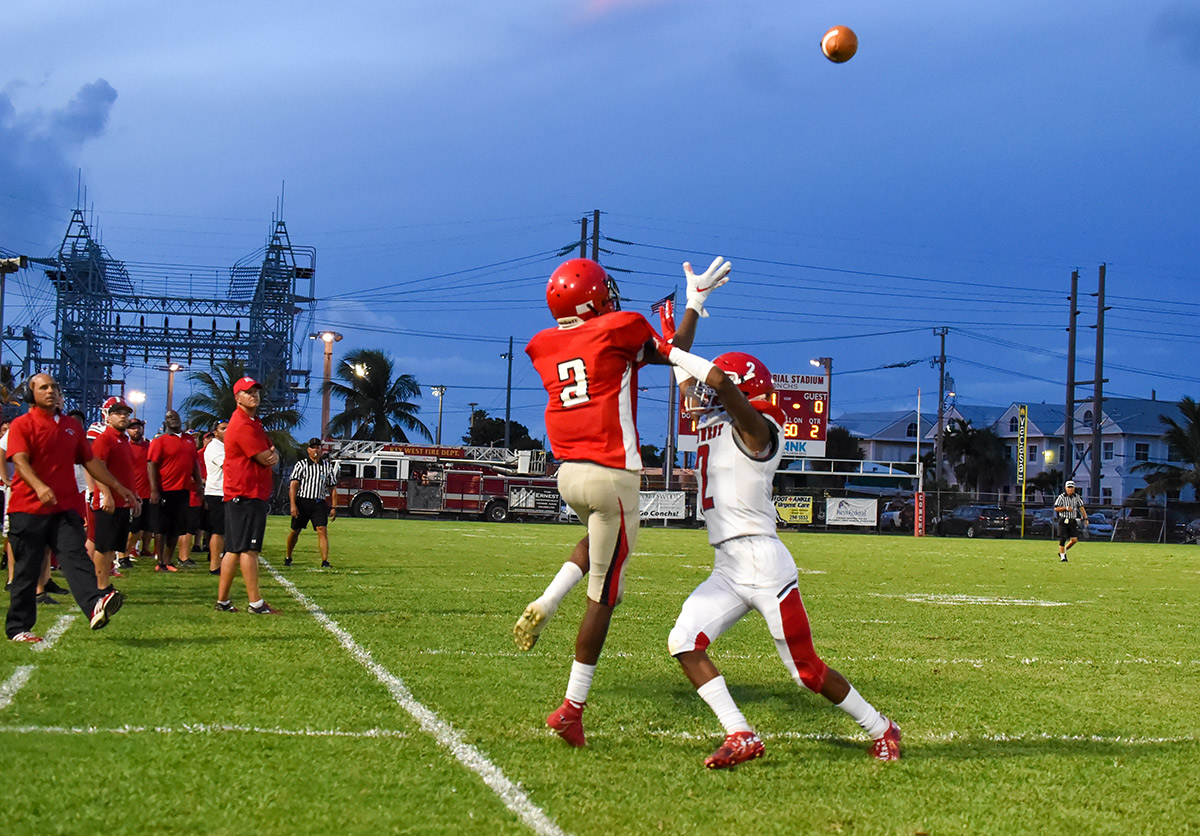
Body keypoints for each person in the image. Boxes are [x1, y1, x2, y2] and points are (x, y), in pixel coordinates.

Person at [658, 274, 901, 767]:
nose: (702, 398)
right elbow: (687, 378)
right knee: (683, 641)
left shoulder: (759, 430)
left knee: (806, 672)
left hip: (763, 562)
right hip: (728, 565)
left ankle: (882, 727)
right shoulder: (713, 419)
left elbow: (718, 383)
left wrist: (673, 350)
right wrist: (692, 307)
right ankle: (740, 733)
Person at [513, 257, 690, 748]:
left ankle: (549, 599)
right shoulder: (619, 329)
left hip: (568, 475)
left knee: (596, 542)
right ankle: (571, 709)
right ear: (594, 298)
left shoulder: (544, 345)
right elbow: (677, 352)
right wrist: (692, 306)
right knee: (604, 596)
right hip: (611, 475)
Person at [5, 373, 139, 642]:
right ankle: (18, 628)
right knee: (27, 569)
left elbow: (90, 462)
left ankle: (94, 605)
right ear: (31, 394)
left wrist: (118, 487)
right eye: (43, 387)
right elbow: (19, 460)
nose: (50, 392)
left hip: (63, 508)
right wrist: (39, 486)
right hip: (27, 507)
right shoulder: (22, 424)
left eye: (54, 387)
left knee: (76, 555)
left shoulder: (70, 426)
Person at [216, 377, 280, 614]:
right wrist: (270, 455)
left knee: (233, 550)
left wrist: (271, 454)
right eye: (248, 392)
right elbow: (266, 457)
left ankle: (223, 601)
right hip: (246, 493)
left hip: (241, 493)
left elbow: (272, 452)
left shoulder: (252, 422)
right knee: (248, 550)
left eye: (255, 391)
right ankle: (256, 603)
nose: (253, 395)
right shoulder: (243, 424)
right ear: (237, 397)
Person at [88, 397, 142, 592]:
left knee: (112, 546)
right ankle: (100, 585)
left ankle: (105, 582)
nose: (123, 417)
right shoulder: (105, 439)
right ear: (108, 417)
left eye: (126, 414)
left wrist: (134, 496)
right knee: (103, 545)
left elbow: (127, 473)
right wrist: (106, 494)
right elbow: (98, 468)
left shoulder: (123, 441)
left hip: (122, 502)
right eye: (118, 413)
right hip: (108, 501)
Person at [147, 410, 202, 571]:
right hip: (165, 489)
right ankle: (160, 562)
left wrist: (199, 483)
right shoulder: (160, 440)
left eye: (175, 416)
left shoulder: (189, 440)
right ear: (165, 422)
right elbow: (152, 464)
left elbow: (194, 463)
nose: (174, 419)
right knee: (161, 528)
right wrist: (154, 490)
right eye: (169, 417)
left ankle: (168, 561)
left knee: (176, 528)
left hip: (183, 489)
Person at [285, 438, 338, 568]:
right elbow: (293, 485)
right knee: (295, 531)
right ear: (308, 450)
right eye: (313, 447)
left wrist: (334, 506)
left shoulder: (327, 467)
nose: (316, 450)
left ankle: (325, 561)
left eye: (318, 447)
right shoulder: (301, 465)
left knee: (322, 530)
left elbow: (332, 488)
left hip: (318, 503)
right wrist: (293, 505)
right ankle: (288, 556)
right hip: (303, 502)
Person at [123, 418, 153, 566]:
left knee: (145, 525)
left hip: (148, 492)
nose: (136, 430)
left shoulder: (149, 446)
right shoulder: (126, 447)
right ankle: (126, 553)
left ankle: (142, 549)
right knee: (133, 527)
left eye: (138, 427)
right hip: (133, 492)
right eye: (133, 428)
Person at [202, 424, 227, 574]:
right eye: (223, 428)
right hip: (217, 492)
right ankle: (215, 565)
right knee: (218, 531)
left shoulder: (225, 446)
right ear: (215, 433)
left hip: (226, 492)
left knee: (224, 531)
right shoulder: (214, 447)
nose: (227, 431)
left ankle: (222, 562)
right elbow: (228, 465)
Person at [1054, 479, 1088, 562]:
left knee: (1074, 540)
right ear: (1066, 488)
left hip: (1072, 520)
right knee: (1063, 538)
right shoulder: (1062, 497)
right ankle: (1063, 557)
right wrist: (1065, 508)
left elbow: (1081, 508)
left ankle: (1063, 551)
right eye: (1069, 488)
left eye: (1072, 488)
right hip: (1063, 519)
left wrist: (1085, 518)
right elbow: (1056, 508)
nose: (1070, 489)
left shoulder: (1077, 497)